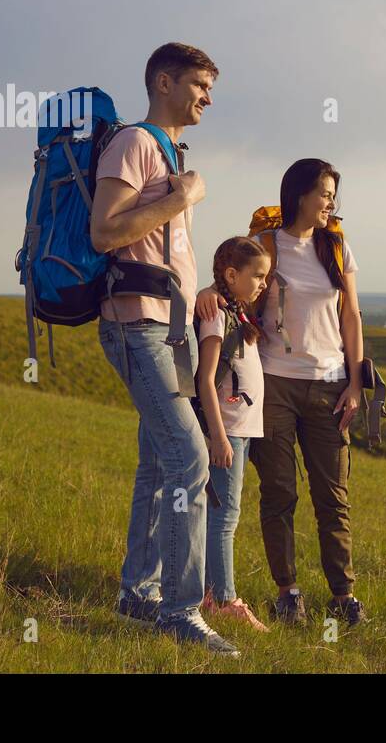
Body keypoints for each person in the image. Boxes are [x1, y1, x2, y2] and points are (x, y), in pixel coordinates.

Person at [91, 42, 239, 656]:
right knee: (191, 458)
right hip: (135, 325)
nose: (207, 97)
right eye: (200, 84)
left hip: (165, 325)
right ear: (163, 81)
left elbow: (155, 249)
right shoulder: (134, 143)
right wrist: (183, 197)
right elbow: (104, 233)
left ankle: (137, 593)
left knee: (157, 465)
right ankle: (181, 610)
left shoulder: (165, 150)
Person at [196, 158, 368, 627]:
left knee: (333, 496)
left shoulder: (336, 247)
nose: (331, 203)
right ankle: (288, 593)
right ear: (300, 195)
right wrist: (206, 293)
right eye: (325, 193)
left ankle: (344, 595)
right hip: (273, 384)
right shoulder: (267, 243)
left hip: (331, 384)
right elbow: (235, 277)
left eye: (334, 195)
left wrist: (355, 382)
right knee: (278, 492)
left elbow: (351, 315)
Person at [195, 236, 270, 632]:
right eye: (256, 275)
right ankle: (222, 599)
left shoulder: (235, 311)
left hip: (240, 430)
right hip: (228, 431)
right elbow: (206, 379)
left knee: (222, 513)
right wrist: (219, 436)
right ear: (230, 274)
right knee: (225, 516)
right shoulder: (216, 314)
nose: (262, 283)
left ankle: (211, 593)